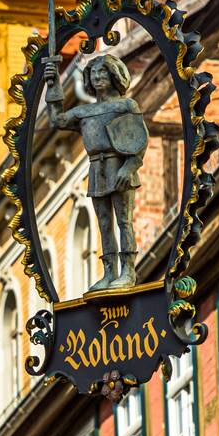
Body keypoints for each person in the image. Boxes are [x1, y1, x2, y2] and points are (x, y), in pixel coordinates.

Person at [43, 54, 148, 292]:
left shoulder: (125, 106)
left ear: (113, 75)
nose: (98, 77)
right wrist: (53, 85)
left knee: (124, 220)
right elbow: (57, 119)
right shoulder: (85, 112)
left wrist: (129, 167)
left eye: (103, 72)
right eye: (94, 74)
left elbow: (139, 140)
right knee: (103, 222)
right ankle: (109, 272)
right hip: (96, 167)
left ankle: (128, 270)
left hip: (118, 167)